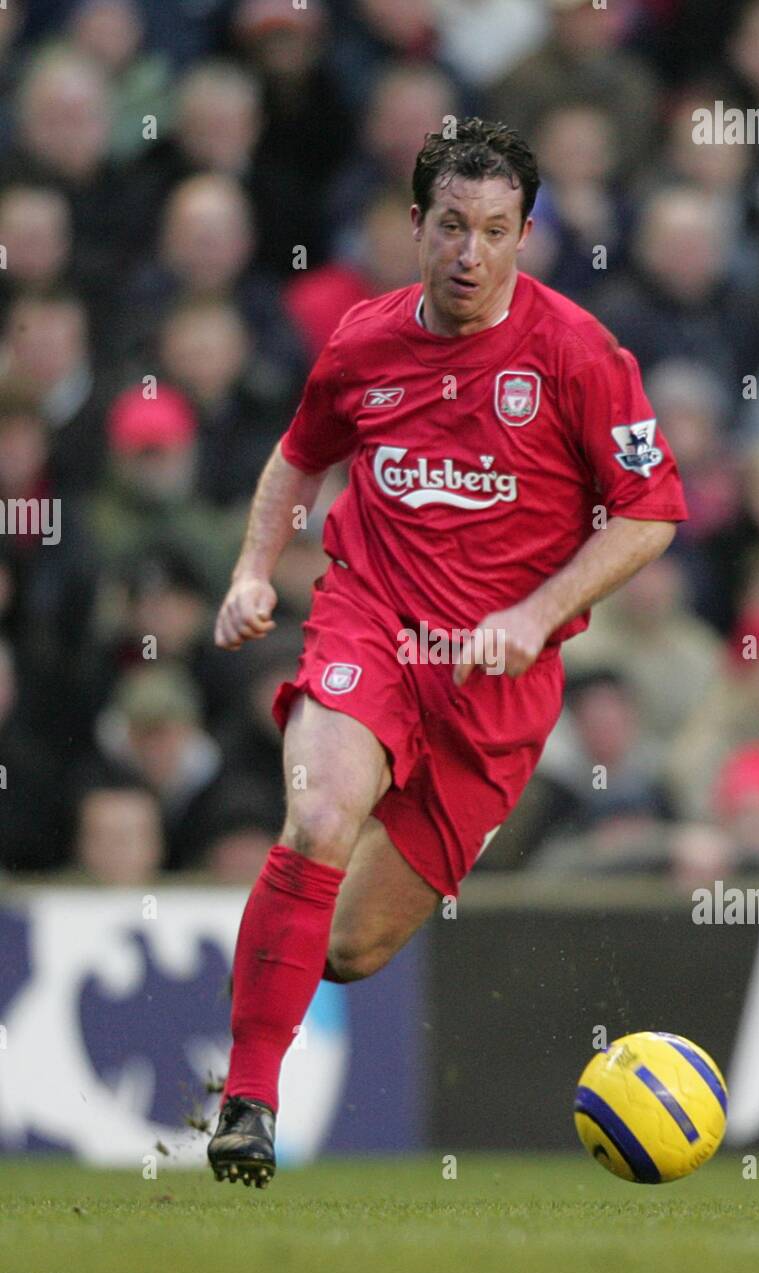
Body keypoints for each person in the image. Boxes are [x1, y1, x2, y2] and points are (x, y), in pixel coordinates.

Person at [207, 118, 686, 1187]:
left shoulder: (578, 354)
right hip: (371, 623)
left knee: (349, 948)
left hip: (496, 690)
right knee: (320, 816)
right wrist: (251, 571)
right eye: (453, 227)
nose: (472, 254)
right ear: (415, 224)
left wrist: (537, 611)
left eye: (497, 231)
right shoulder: (363, 342)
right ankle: (248, 1099)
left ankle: (272, 977)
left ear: (525, 236)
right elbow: (298, 456)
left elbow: (649, 511)